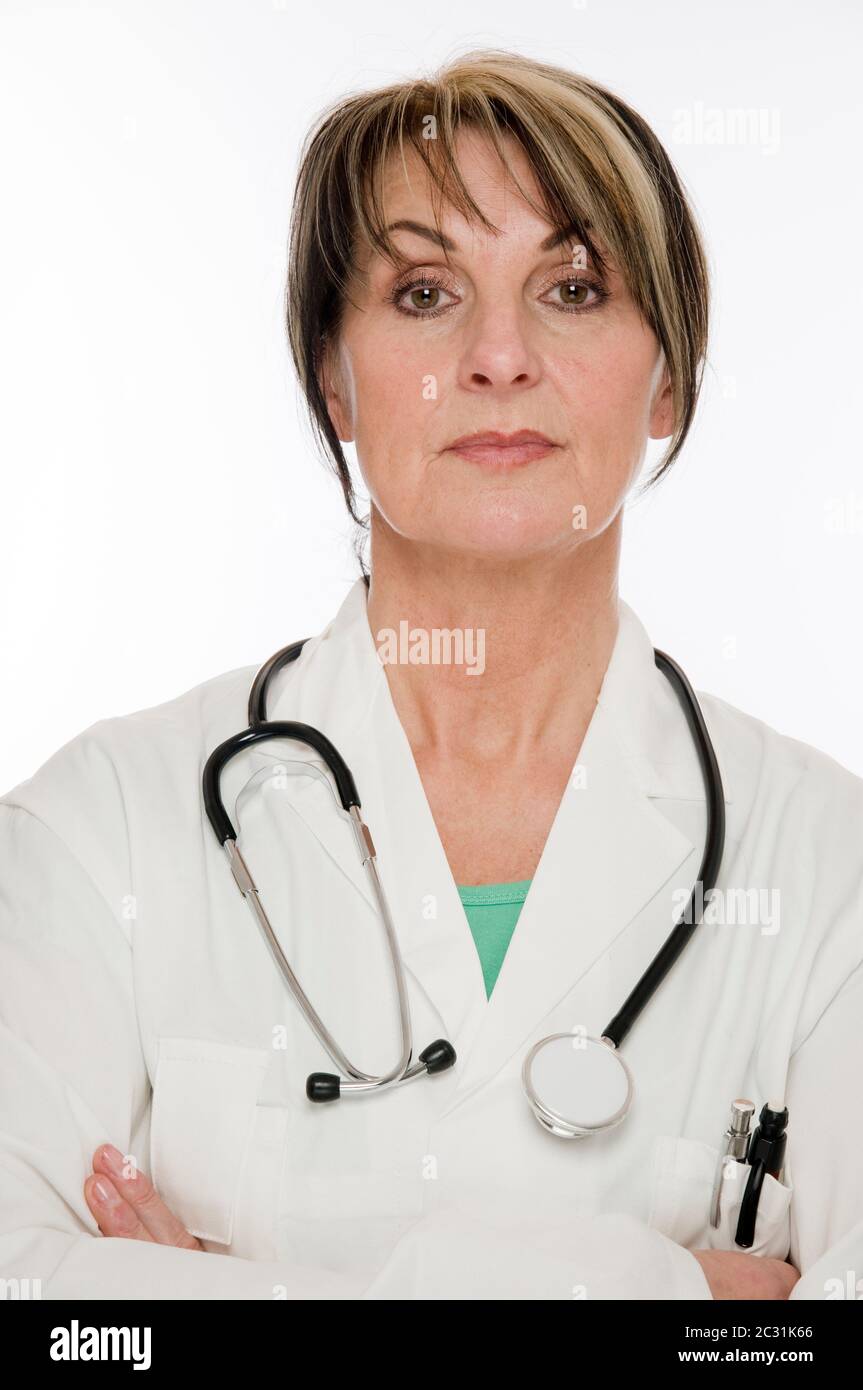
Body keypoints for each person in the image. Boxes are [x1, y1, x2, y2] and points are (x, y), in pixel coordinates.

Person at [1, 50, 861, 1301]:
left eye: (571, 287)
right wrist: (674, 1292)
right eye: (421, 293)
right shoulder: (100, 833)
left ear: (668, 376)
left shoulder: (827, 868)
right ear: (331, 379)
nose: (498, 356)